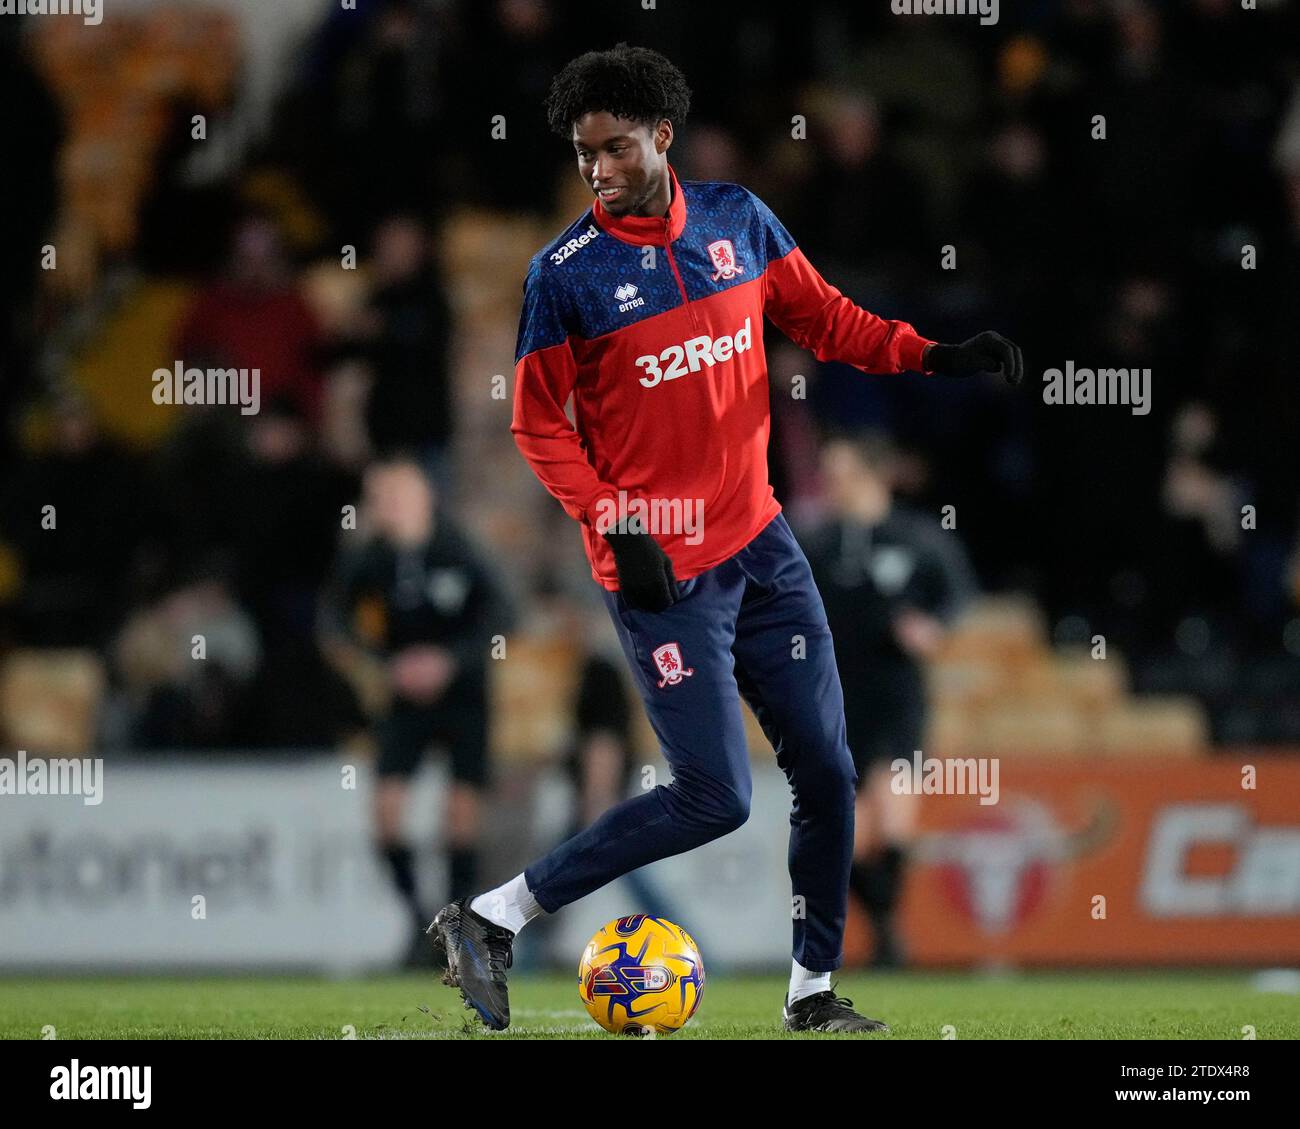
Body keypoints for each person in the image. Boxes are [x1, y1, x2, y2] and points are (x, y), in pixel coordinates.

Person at [428, 43, 1022, 1032]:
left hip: (763, 546)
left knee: (828, 773)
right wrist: (617, 518)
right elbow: (536, 425)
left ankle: (812, 992)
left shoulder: (737, 220)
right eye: (584, 155)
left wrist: (931, 353)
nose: (599, 171)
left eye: (615, 149)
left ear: (662, 137)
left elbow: (826, 322)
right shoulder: (564, 275)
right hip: (663, 572)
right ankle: (496, 915)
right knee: (714, 795)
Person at [322, 454, 514, 966]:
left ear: (424, 495)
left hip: (465, 697)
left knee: (461, 815)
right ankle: (417, 924)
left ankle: (456, 929)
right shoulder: (371, 559)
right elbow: (334, 621)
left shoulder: (459, 547)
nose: (388, 506)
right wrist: (382, 665)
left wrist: (449, 661)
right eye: (380, 497)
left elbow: (505, 613)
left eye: (397, 494)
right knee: (386, 813)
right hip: (404, 701)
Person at [803, 432, 978, 968]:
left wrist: (932, 627)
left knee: (896, 816)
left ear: (872, 475)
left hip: (898, 695)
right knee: (852, 833)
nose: (831, 484)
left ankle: (886, 938)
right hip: (836, 697)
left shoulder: (917, 537)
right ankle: (884, 932)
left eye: (842, 473)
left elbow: (958, 594)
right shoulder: (817, 543)